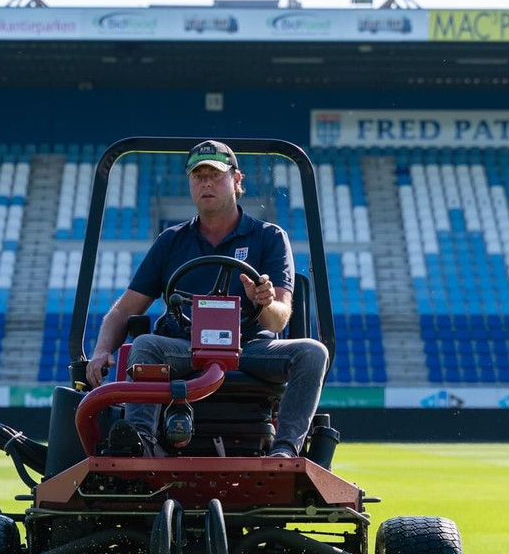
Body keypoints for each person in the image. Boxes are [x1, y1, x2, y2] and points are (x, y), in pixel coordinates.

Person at [84, 141, 329, 458]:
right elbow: (125, 309)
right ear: (190, 184)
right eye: (198, 176)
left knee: (313, 353)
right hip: (184, 347)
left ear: (236, 181)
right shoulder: (172, 241)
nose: (206, 183)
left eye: (215, 174)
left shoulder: (268, 237)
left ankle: (284, 450)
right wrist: (102, 349)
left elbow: (279, 319)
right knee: (145, 344)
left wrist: (265, 301)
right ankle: (140, 444)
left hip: (250, 347)